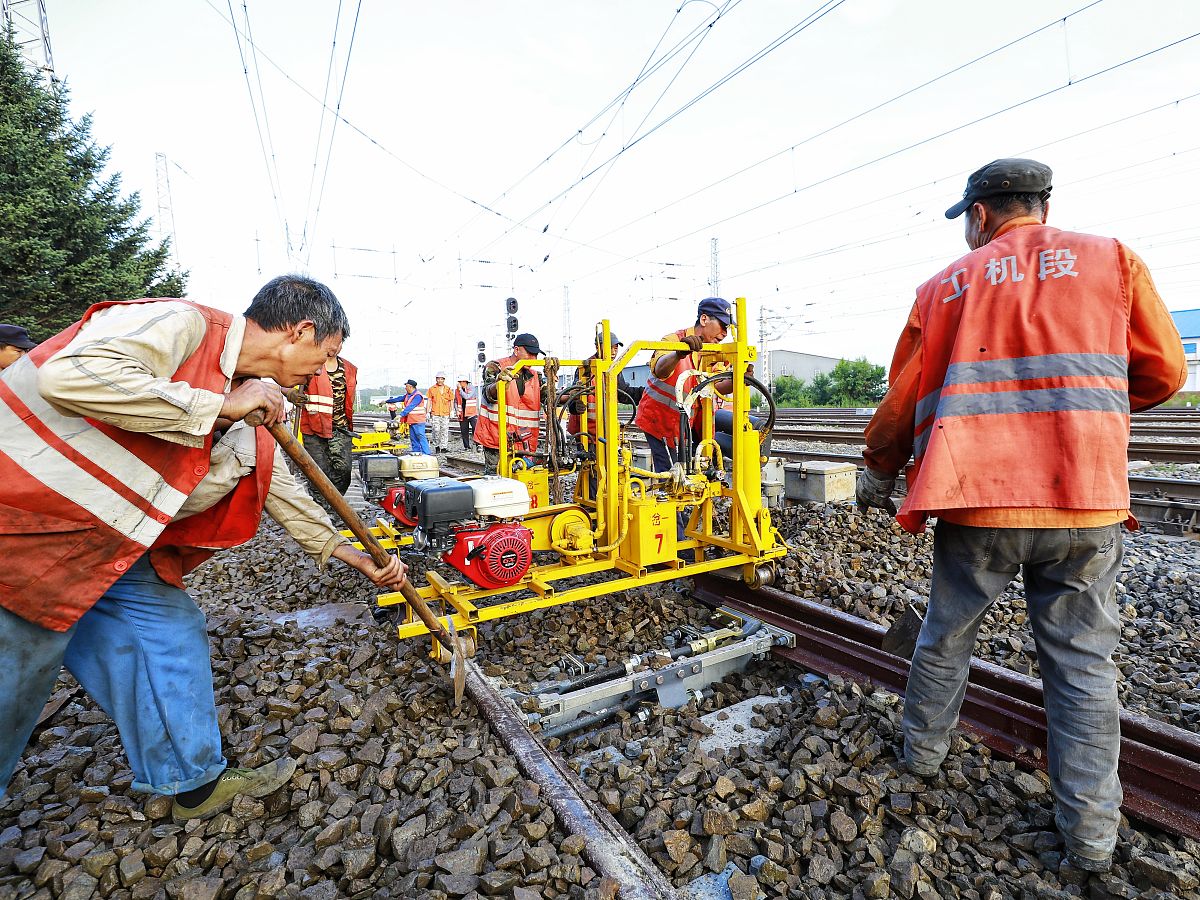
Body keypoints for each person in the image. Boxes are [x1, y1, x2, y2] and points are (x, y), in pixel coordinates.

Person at [857, 159, 1186, 874]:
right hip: (1086, 500)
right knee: (1081, 665)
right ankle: (1093, 839)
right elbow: (1163, 372)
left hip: (978, 501)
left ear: (980, 215)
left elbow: (904, 400)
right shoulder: (1112, 260)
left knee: (946, 634)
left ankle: (921, 757)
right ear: (1043, 205)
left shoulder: (945, 285)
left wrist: (878, 470)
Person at [0, 275, 409, 825]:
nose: (327, 372)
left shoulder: (255, 410)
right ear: (301, 331)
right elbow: (68, 375)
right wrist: (218, 405)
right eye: (327, 355)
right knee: (14, 682)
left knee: (169, 634)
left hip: (114, 545)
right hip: (26, 530)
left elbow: (283, 492)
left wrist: (351, 554)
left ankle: (191, 782)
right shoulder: (184, 327)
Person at [633, 297, 736, 473]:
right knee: (670, 473)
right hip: (658, 419)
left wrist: (737, 379)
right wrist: (679, 353)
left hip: (685, 424)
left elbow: (717, 386)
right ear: (704, 319)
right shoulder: (673, 340)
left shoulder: (714, 351)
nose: (725, 333)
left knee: (691, 471)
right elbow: (660, 369)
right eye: (722, 325)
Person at [476, 333, 549, 475]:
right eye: (530, 354)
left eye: (536, 355)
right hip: (497, 438)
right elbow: (488, 393)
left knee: (521, 482)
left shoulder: (535, 376)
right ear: (516, 350)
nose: (534, 359)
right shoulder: (495, 367)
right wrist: (499, 383)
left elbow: (550, 398)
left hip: (523, 441)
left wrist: (572, 397)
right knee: (496, 481)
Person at [299, 353, 357, 505]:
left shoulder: (349, 368)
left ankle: (333, 504)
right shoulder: (309, 363)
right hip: (313, 428)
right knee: (318, 472)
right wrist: (290, 393)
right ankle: (322, 508)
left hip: (340, 428)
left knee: (344, 471)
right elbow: (286, 382)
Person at [567, 331, 641, 440]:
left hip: (606, 430)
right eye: (610, 347)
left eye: (615, 348)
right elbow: (575, 394)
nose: (613, 352)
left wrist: (646, 393)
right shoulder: (586, 368)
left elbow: (623, 393)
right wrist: (575, 406)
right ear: (597, 347)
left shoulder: (615, 368)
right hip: (585, 433)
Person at [388, 379, 430, 454]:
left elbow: (411, 406)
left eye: (406, 386)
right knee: (413, 438)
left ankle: (426, 453)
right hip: (411, 420)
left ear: (410, 387)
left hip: (418, 420)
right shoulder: (408, 395)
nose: (405, 388)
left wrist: (401, 415)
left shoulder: (417, 396)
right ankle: (416, 452)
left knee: (420, 436)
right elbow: (398, 398)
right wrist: (386, 401)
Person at [427, 371, 454, 453]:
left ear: (444, 380)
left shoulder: (448, 389)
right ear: (436, 379)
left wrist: (452, 410)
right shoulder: (432, 389)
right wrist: (427, 412)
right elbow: (429, 400)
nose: (440, 380)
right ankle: (437, 446)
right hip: (435, 413)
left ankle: (444, 447)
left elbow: (451, 400)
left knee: (444, 430)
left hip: (445, 413)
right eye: (438, 379)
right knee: (436, 430)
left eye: (441, 379)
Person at [454, 374, 478, 450]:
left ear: (465, 382)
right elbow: (455, 401)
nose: (459, 384)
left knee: (475, 428)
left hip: (471, 413)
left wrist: (460, 390)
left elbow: (467, 397)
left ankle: (478, 445)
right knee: (464, 430)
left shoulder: (472, 388)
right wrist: (456, 410)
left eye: (460, 382)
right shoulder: (457, 390)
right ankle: (466, 446)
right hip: (462, 413)